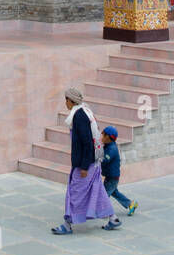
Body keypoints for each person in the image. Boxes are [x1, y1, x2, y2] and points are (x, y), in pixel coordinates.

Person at [51, 86, 121, 234]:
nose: (65, 103)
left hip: (87, 163)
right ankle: (113, 219)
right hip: (93, 161)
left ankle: (67, 225)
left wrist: (83, 167)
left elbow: (87, 142)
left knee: (74, 192)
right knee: (98, 191)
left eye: (66, 100)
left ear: (71, 101)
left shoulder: (79, 116)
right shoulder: (85, 111)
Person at [101, 126, 137, 216]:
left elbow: (104, 160)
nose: (101, 137)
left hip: (112, 177)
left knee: (104, 195)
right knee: (114, 192)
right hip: (111, 175)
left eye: (103, 135)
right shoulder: (108, 146)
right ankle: (130, 204)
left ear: (108, 137)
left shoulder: (111, 149)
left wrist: (96, 159)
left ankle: (106, 212)